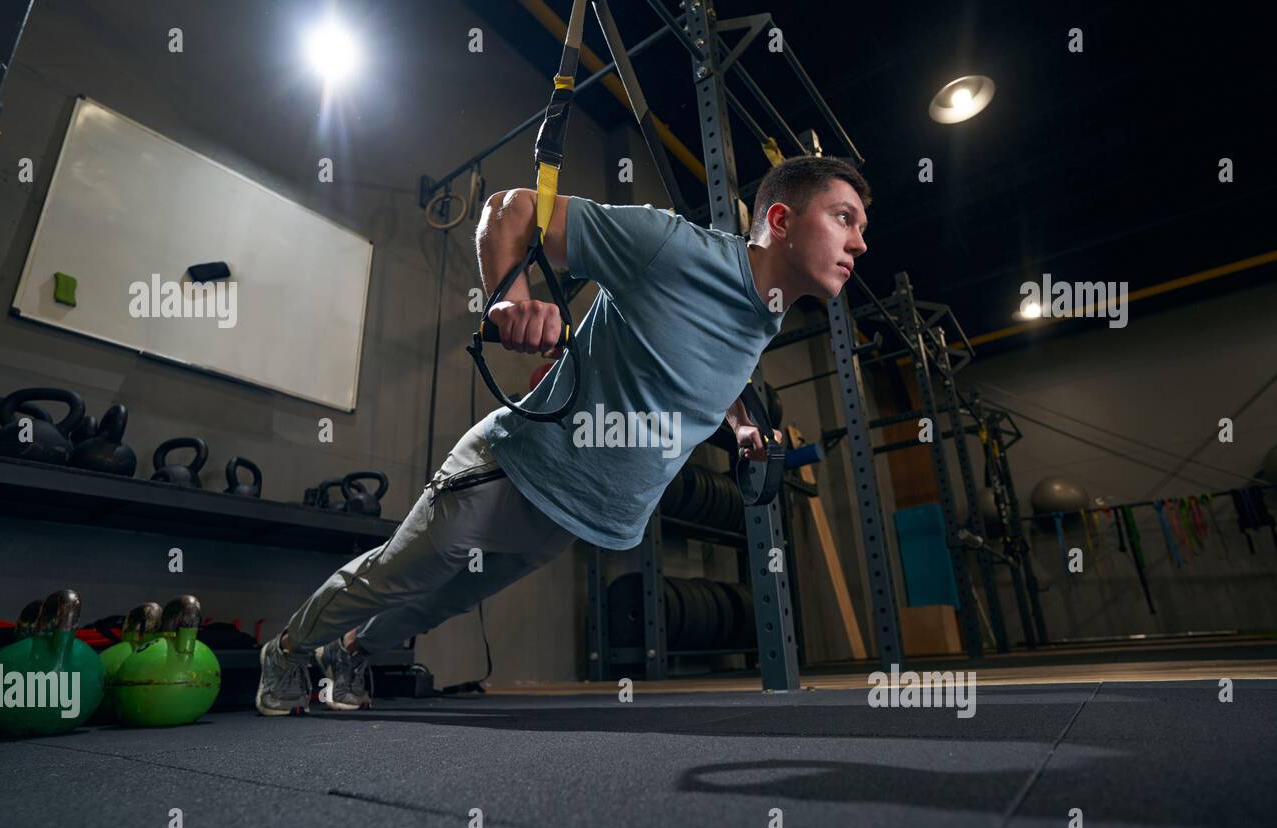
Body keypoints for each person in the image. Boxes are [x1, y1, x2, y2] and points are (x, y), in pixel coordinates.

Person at [255, 154, 871, 715]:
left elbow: (711, 366)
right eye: (845, 219)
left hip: (579, 513)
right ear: (783, 220)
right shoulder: (673, 248)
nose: (860, 244)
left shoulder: (763, 314)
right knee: (396, 575)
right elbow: (511, 209)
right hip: (512, 470)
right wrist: (505, 301)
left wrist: (739, 425)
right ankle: (284, 651)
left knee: (446, 599)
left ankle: (350, 652)